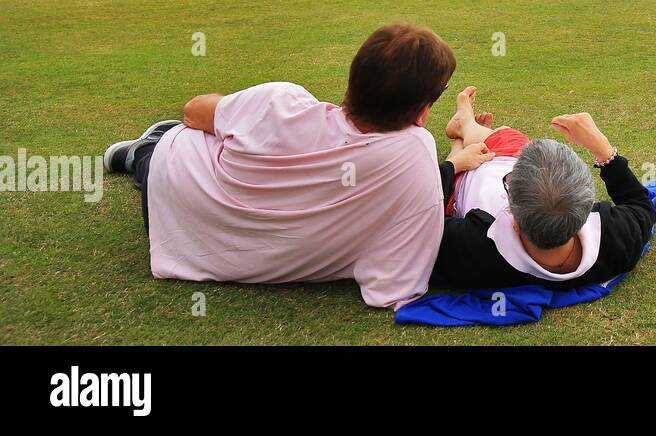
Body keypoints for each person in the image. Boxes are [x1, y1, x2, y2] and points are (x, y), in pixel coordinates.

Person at [101, 23, 495, 309]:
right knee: (189, 142)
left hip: (175, 198)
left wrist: (234, 110)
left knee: (188, 141)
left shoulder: (280, 100)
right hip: (195, 233)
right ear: (424, 111)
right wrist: (452, 162)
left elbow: (194, 111)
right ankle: (144, 151)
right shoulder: (414, 154)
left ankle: (142, 151)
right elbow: (392, 286)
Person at [433, 93, 655, 291]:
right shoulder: (616, 241)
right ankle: (464, 128)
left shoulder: (475, 248)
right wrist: (604, 149)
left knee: (498, 137)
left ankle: (462, 133)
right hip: (511, 157)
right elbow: (640, 205)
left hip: (462, 180)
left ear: (515, 221)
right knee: (508, 136)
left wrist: (454, 165)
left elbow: (421, 216)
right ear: (586, 210)